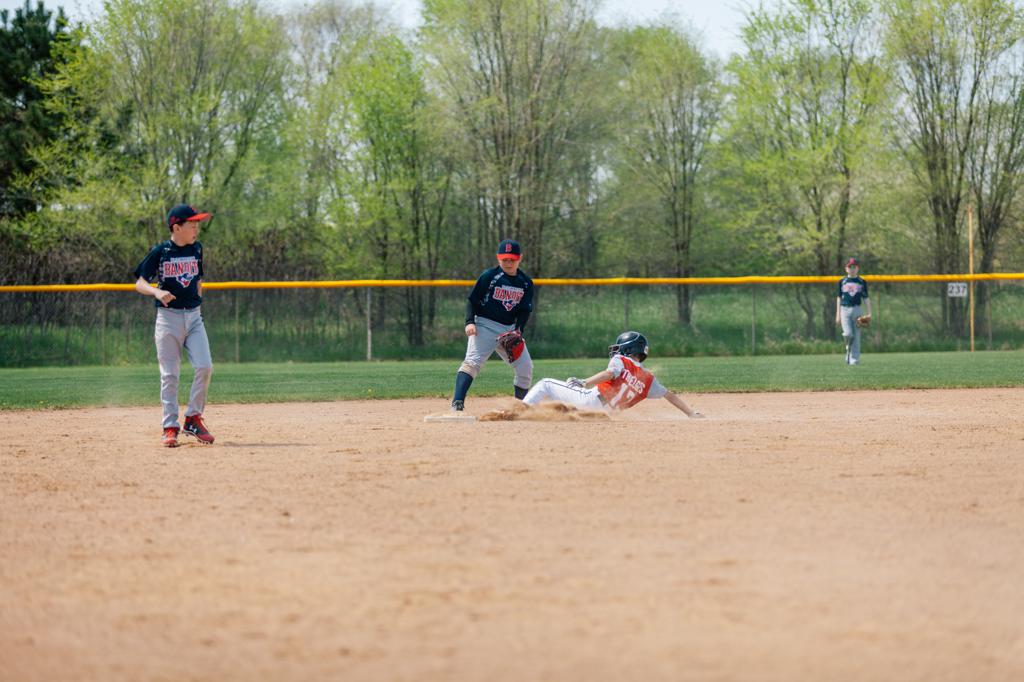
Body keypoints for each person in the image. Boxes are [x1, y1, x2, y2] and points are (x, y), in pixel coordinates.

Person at [133, 204, 216, 447]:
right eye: (192, 224)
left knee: (205, 366)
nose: (196, 229)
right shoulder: (161, 252)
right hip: (168, 319)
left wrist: (197, 301)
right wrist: (157, 292)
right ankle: (170, 426)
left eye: (197, 224)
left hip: (194, 317)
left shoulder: (197, 249)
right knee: (170, 375)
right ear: (177, 227)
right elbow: (139, 282)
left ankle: (193, 418)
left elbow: (198, 280)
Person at [522, 331, 703, 418]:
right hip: (604, 414)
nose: (616, 351)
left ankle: (520, 409)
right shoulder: (648, 379)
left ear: (628, 349)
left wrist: (585, 382)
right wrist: (690, 413)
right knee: (562, 403)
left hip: (590, 401)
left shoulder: (621, 360)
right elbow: (669, 395)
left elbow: (609, 374)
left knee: (545, 383)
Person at [451, 239, 534, 411]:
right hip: (485, 326)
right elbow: (472, 300)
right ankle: (457, 403)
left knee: (525, 367)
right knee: (472, 362)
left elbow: (524, 310)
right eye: (505, 259)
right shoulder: (489, 276)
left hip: (509, 330)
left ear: (520, 258)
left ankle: (519, 408)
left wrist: (518, 330)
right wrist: (469, 322)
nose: (508, 263)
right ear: (498, 258)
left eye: (512, 259)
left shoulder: (525, 282)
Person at [836, 257, 872, 365]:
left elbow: (866, 298)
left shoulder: (861, 281)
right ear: (846, 269)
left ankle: (854, 359)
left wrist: (869, 313)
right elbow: (839, 298)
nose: (852, 269)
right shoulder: (842, 281)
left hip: (857, 309)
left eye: (854, 266)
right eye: (850, 267)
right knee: (848, 334)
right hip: (844, 309)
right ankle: (848, 348)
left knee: (856, 336)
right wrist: (838, 315)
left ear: (857, 268)